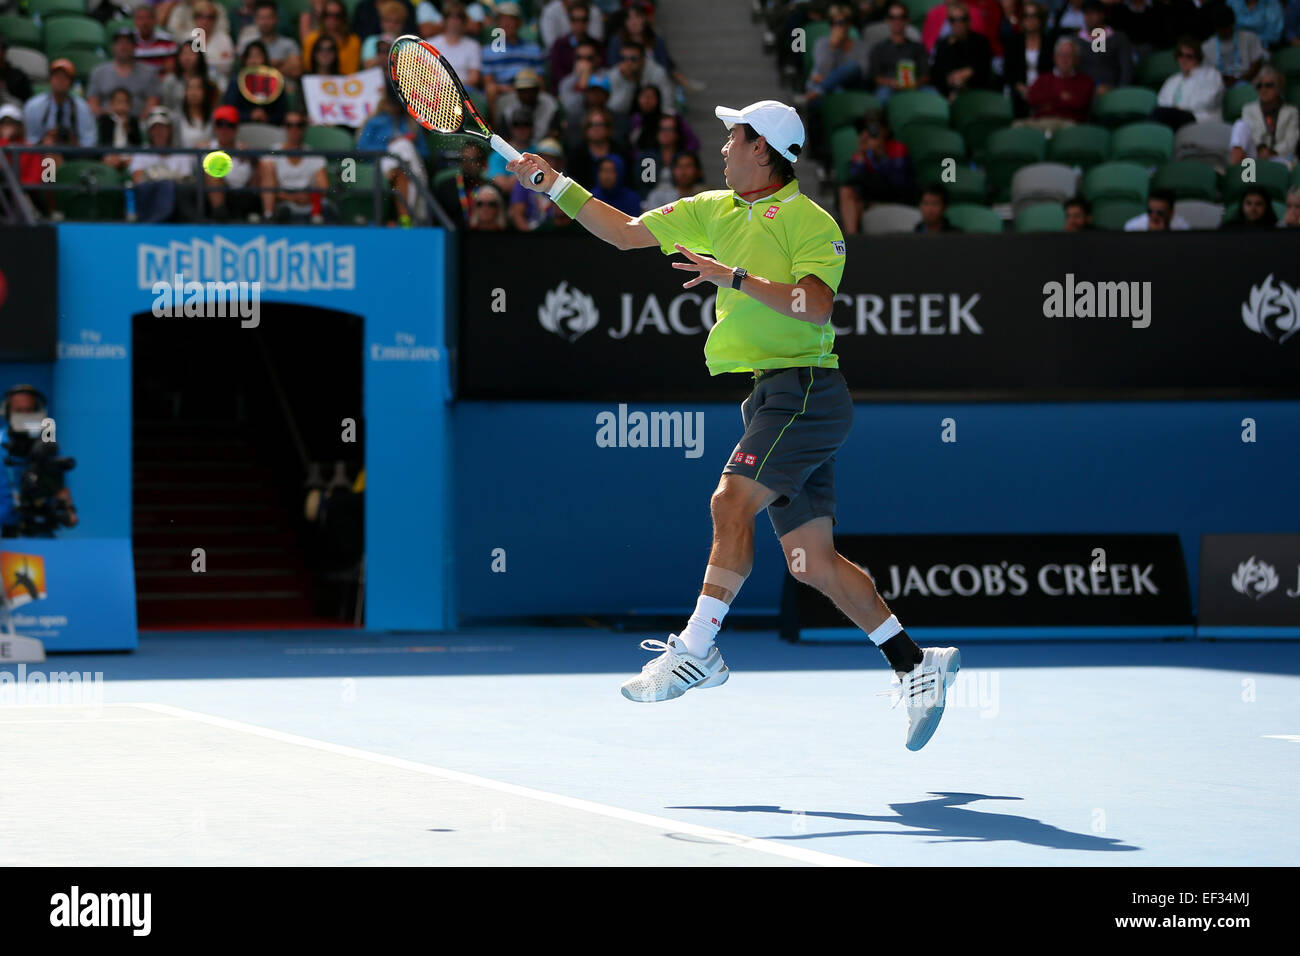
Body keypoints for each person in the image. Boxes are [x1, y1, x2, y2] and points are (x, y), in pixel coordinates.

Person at [505, 98, 962, 749]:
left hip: (806, 390)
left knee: (729, 502)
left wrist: (736, 277)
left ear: (762, 148)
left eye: (733, 137)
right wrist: (554, 184)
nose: (721, 148)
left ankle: (699, 649)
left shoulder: (811, 221)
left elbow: (815, 307)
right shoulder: (710, 210)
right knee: (812, 562)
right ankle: (918, 665)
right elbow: (625, 231)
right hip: (769, 398)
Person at [839, 116, 914, 233]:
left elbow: (898, 181)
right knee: (848, 193)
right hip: (873, 194)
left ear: (885, 130)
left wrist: (881, 154)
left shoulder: (897, 148)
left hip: (896, 191)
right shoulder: (865, 151)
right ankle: (852, 238)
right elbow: (855, 180)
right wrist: (861, 155)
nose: (873, 132)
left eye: (876, 128)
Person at [259, 109, 332, 221]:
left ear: (304, 128)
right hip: (283, 204)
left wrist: (307, 197)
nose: (294, 129)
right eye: (289, 125)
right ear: (284, 127)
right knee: (284, 212)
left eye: (299, 125)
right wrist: (293, 198)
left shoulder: (315, 156)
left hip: (309, 203)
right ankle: (268, 219)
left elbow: (323, 188)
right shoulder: (272, 153)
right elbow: (267, 189)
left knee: (327, 206)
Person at [129, 107, 199, 222]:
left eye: (162, 128)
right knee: (165, 186)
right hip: (150, 205)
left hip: (178, 208)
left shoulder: (181, 154)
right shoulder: (142, 153)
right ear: (149, 132)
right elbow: (138, 180)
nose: (158, 132)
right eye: (154, 128)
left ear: (170, 129)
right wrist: (169, 179)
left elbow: (186, 181)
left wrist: (157, 176)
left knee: (177, 189)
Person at [1021, 36, 1094, 130]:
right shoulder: (1043, 79)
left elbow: (1080, 104)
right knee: (1017, 128)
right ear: (1055, 58)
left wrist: (1048, 102)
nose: (1064, 59)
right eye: (1061, 55)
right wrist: (1061, 97)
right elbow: (1031, 98)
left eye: (1069, 55)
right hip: (1040, 122)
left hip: (1069, 124)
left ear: (1076, 59)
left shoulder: (1085, 81)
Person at [1229, 67, 1299, 165]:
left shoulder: (1291, 111)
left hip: (1280, 157)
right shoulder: (1249, 109)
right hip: (1255, 154)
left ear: (1278, 88)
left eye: (1269, 85)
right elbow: (1252, 133)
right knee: (1240, 125)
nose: (1263, 89)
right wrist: (1261, 148)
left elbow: (1291, 140)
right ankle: (1234, 172)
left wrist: (1272, 152)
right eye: (1259, 86)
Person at [481, 2, 547, 104]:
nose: (507, 23)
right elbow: (488, 83)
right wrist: (514, 90)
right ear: (497, 23)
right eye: (503, 19)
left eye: (511, 19)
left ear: (519, 23)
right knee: (491, 90)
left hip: (529, 93)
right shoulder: (488, 51)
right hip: (502, 94)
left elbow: (540, 82)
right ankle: (492, 121)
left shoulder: (533, 49)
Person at [202, 104, 260, 221]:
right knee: (212, 170)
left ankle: (269, 215)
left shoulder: (245, 150)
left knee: (264, 167)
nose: (224, 130)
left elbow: (259, 174)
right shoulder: (206, 149)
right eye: (220, 124)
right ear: (214, 128)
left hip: (245, 195)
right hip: (219, 199)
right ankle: (219, 216)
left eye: (230, 125)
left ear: (237, 128)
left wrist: (253, 159)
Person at [89, 28, 163, 118]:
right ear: (113, 46)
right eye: (120, 43)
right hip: (107, 124)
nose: (123, 47)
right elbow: (93, 104)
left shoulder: (149, 72)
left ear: (135, 47)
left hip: (139, 124)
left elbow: (153, 102)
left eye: (128, 43)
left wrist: (138, 124)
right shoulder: (99, 72)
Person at [804, 3, 870, 103]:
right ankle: (819, 93)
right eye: (833, 23)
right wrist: (832, 48)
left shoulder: (860, 46)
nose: (837, 27)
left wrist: (833, 79)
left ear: (848, 25)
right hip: (832, 90)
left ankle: (818, 91)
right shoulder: (822, 43)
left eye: (841, 23)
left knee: (853, 66)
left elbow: (863, 72)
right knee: (830, 93)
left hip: (851, 87)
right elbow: (822, 70)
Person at [24, 59, 97, 148]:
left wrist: (73, 142)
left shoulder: (82, 107)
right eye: (56, 76)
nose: (60, 81)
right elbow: (29, 140)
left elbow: (89, 142)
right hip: (43, 152)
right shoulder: (33, 106)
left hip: (73, 153)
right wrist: (45, 140)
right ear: (50, 80)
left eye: (65, 77)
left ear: (71, 83)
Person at [1155, 35, 1224, 126]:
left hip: (1199, 119)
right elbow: (1162, 102)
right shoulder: (1173, 79)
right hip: (1173, 119)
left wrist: (1179, 108)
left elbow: (1208, 101)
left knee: (1160, 114)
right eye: (1180, 55)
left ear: (1198, 58)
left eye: (1189, 56)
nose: (1184, 60)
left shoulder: (1211, 74)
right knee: (1159, 114)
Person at [870, 3, 931, 104]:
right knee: (881, 98)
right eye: (892, 17)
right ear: (887, 20)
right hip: (888, 87)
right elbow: (874, 76)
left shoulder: (918, 47)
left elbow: (926, 74)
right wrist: (890, 82)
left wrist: (915, 83)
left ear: (907, 20)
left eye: (901, 17)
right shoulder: (879, 48)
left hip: (915, 85)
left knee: (933, 95)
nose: (897, 21)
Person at [931, 2, 995, 99]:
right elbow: (936, 72)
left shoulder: (980, 41)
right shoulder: (943, 44)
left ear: (969, 21)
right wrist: (949, 78)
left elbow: (985, 69)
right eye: (954, 20)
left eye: (962, 19)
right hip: (949, 94)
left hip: (976, 91)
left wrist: (969, 72)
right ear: (949, 23)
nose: (958, 24)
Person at [508, 137, 572, 229]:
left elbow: (571, 217)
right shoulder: (523, 181)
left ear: (559, 163)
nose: (545, 163)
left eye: (550, 159)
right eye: (543, 159)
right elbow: (517, 213)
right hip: (531, 234)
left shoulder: (568, 183)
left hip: (560, 234)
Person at [1073, 0, 1133, 96]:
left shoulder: (1118, 38)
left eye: (1093, 13)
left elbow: (1126, 69)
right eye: (1086, 13)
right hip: (1081, 92)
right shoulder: (1075, 40)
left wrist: (1120, 93)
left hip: (1112, 91)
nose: (1089, 17)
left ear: (1102, 14)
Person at [223, 41, 288, 124]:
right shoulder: (236, 82)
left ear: (265, 59)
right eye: (250, 57)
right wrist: (249, 116)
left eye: (258, 56)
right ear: (245, 60)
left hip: (270, 128)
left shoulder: (275, 82)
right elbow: (229, 110)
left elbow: (282, 112)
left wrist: (267, 117)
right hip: (242, 127)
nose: (254, 61)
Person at [603, 41, 674, 117]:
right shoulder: (616, 73)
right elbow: (615, 107)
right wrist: (628, 82)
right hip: (626, 116)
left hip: (653, 115)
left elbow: (666, 102)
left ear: (643, 59)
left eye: (633, 59)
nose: (628, 63)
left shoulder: (657, 72)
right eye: (624, 58)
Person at [1003, 1, 1049, 117]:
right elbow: (1008, 71)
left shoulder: (1049, 43)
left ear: (1040, 20)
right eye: (1026, 16)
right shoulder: (1014, 42)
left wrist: (1038, 90)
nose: (1030, 20)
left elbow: (1051, 70)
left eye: (1033, 16)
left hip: (1044, 90)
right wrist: (1021, 88)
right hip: (1019, 90)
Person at [1203, 5, 1266, 86]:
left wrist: (1237, 80)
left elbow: (1256, 66)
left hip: (1247, 83)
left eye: (1227, 27)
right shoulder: (1206, 46)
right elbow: (1208, 75)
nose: (1224, 31)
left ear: (1232, 24)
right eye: (1221, 28)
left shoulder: (1249, 37)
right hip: (1220, 86)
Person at [238, 0, 302, 79]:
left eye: (269, 17)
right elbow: (244, 71)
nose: (265, 22)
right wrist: (280, 63)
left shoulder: (289, 44)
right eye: (261, 18)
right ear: (255, 20)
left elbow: (296, 70)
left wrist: (262, 66)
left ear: (277, 18)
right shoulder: (249, 45)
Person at [493, 69, 560, 139]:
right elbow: (504, 137)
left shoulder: (550, 104)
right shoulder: (509, 107)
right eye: (522, 91)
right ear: (517, 92)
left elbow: (554, 133)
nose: (526, 95)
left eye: (529, 90)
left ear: (537, 90)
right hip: (516, 147)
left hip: (543, 147)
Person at [550, 0, 601, 91]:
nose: (579, 23)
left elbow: (602, 71)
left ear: (588, 21)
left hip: (594, 91)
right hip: (566, 92)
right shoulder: (559, 45)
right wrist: (576, 79)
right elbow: (556, 75)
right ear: (569, 20)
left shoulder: (597, 44)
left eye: (583, 19)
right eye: (575, 19)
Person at [433, 3, 483, 92]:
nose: (454, 20)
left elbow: (474, 79)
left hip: (465, 92)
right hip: (437, 92)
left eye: (459, 17)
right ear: (445, 20)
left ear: (464, 21)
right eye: (450, 16)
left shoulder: (473, 46)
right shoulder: (431, 44)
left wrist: (453, 87)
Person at [303, 0, 362, 76]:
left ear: (343, 17)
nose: (332, 19)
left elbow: (351, 72)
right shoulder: (311, 39)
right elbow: (308, 68)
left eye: (337, 15)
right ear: (322, 16)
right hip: (317, 81)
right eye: (328, 15)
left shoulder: (353, 41)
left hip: (344, 83)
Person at [189, 2, 236, 87]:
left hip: (219, 84)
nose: (205, 21)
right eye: (201, 16)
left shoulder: (224, 39)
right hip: (193, 84)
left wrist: (201, 63)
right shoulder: (189, 38)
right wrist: (214, 61)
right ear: (195, 18)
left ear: (215, 20)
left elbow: (227, 66)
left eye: (210, 17)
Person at [97, 87, 144, 168]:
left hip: (128, 157)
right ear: (111, 104)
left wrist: (127, 128)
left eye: (124, 102)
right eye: (118, 101)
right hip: (110, 156)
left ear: (129, 105)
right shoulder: (105, 120)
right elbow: (103, 141)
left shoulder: (133, 121)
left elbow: (137, 142)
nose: (121, 105)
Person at [133, 4, 179, 77]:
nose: (144, 22)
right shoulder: (129, 42)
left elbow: (170, 71)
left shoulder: (168, 41)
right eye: (140, 18)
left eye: (148, 18)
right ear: (134, 21)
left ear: (155, 20)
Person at [1124, 187, 1191, 228]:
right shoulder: (1133, 227)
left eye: (1160, 212)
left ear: (1171, 213)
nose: (1154, 216)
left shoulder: (1182, 228)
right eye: (1150, 211)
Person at [0, 38, 34, 106]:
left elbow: (28, 100)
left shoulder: (18, 76)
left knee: (8, 111)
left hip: (12, 109)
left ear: (4, 53)